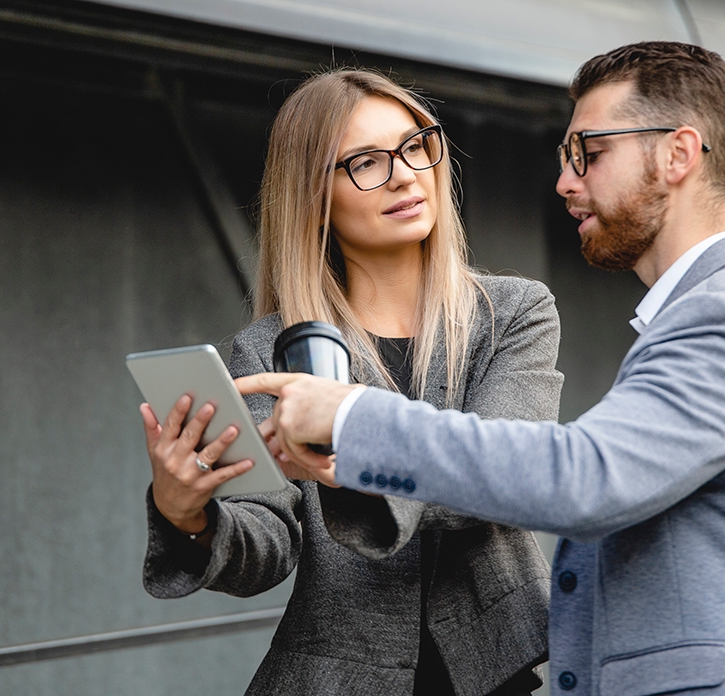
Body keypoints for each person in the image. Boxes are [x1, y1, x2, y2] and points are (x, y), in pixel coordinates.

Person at [240, 43, 725, 695]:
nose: (565, 182)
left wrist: (349, 418)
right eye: (565, 158)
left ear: (677, 154)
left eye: (589, 154)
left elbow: (581, 477)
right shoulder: (720, 311)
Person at [138, 68, 564, 695]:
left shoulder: (513, 314)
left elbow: (504, 470)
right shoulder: (266, 350)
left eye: (416, 145)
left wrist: (354, 453)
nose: (404, 173)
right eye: (365, 161)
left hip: (500, 668)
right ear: (315, 197)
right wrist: (190, 516)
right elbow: (267, 545)